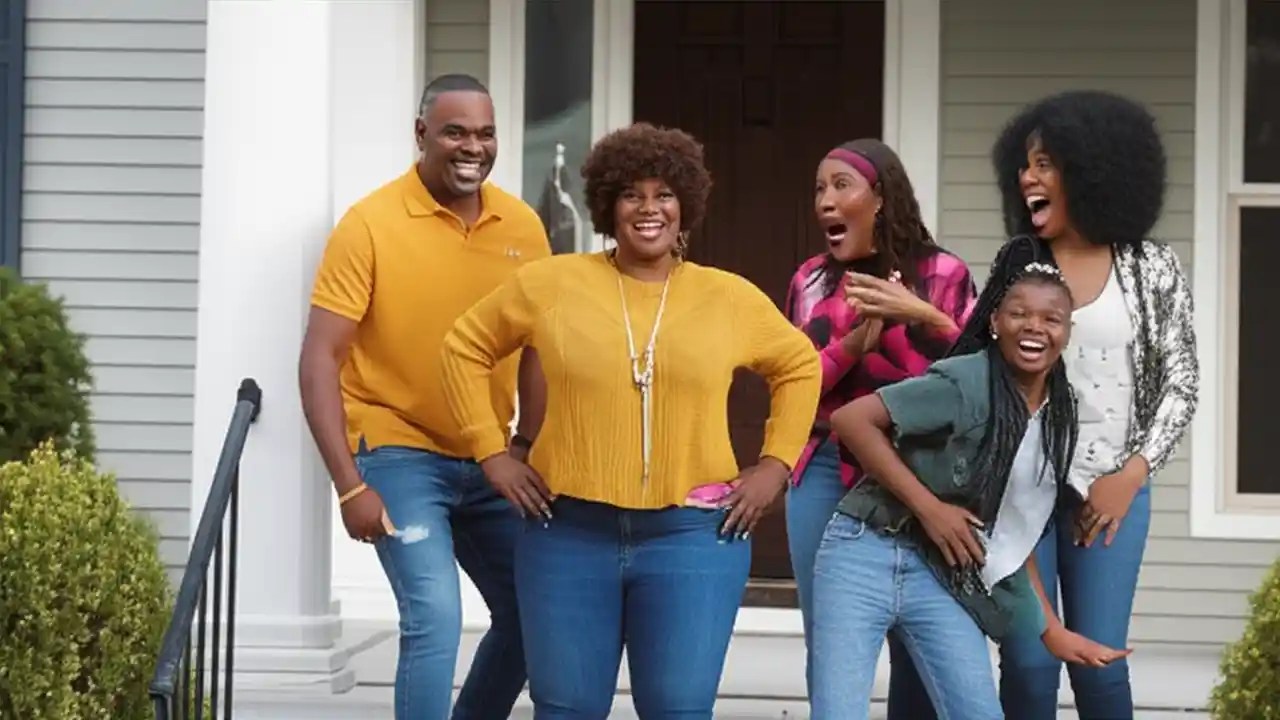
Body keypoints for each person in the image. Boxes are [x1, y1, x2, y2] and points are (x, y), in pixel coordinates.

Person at [439, 122, 822, 718]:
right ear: (607, 204)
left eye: (664, 194)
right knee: (566, 706)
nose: (649, 209)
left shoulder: (727, 297)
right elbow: (464, 346)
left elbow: (799, 365)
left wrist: (775, 466)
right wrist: (490, 452)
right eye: (631, 194)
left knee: (677, 706)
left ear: (685, 206)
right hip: (565, 531)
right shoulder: (553, 283)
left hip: (693, 536)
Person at [298, 73, 551, 720]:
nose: (474, 146)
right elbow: (320, 357)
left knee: (535, 615)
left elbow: (539, 348)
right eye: (455, 132)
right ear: (421, 135)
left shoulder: (521, 225)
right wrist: (350, 485)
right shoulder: (370, 225)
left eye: (486, 132)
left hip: (489, 456)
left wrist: (525, 443)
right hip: (398, 452)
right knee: (435, 616)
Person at [810, 264, 1131, 719]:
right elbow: (852, 421)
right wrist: (930, 508)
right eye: (1019, 314)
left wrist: (1052, 630)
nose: (1034, 327)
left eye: (1051, 318)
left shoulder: (1060, 413)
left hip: (939, 573)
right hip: (865, 550)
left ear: (1068, 330)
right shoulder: (964, 380)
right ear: (995, 322)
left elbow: (1014, 531)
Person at [782, 138, 977, 697]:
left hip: (921, 467)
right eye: (820, 188)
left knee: (921, 637)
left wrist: (923, 314)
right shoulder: (811, 282)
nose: (825, 200)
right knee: (830, 640)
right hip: (824, 469)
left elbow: (984, 379)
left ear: (881, 198)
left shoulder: (943, 273)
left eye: (841, 185)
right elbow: (798, 387)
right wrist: (855, 343)